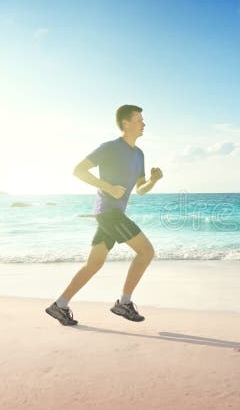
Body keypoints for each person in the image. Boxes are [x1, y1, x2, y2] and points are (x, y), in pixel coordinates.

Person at [45, 105, 162, 326]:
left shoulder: (139, 154)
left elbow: (140, 189)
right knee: (146, 252)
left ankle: (59, 305)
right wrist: (107, 187)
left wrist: (153, 181)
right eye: (139, 120)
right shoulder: (109, 148)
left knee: (94, 264)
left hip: (112, 214)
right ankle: (124, 303)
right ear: (126, 123)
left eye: (143, 120)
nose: (143, 124)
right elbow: (78, 170)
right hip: (108, 213)